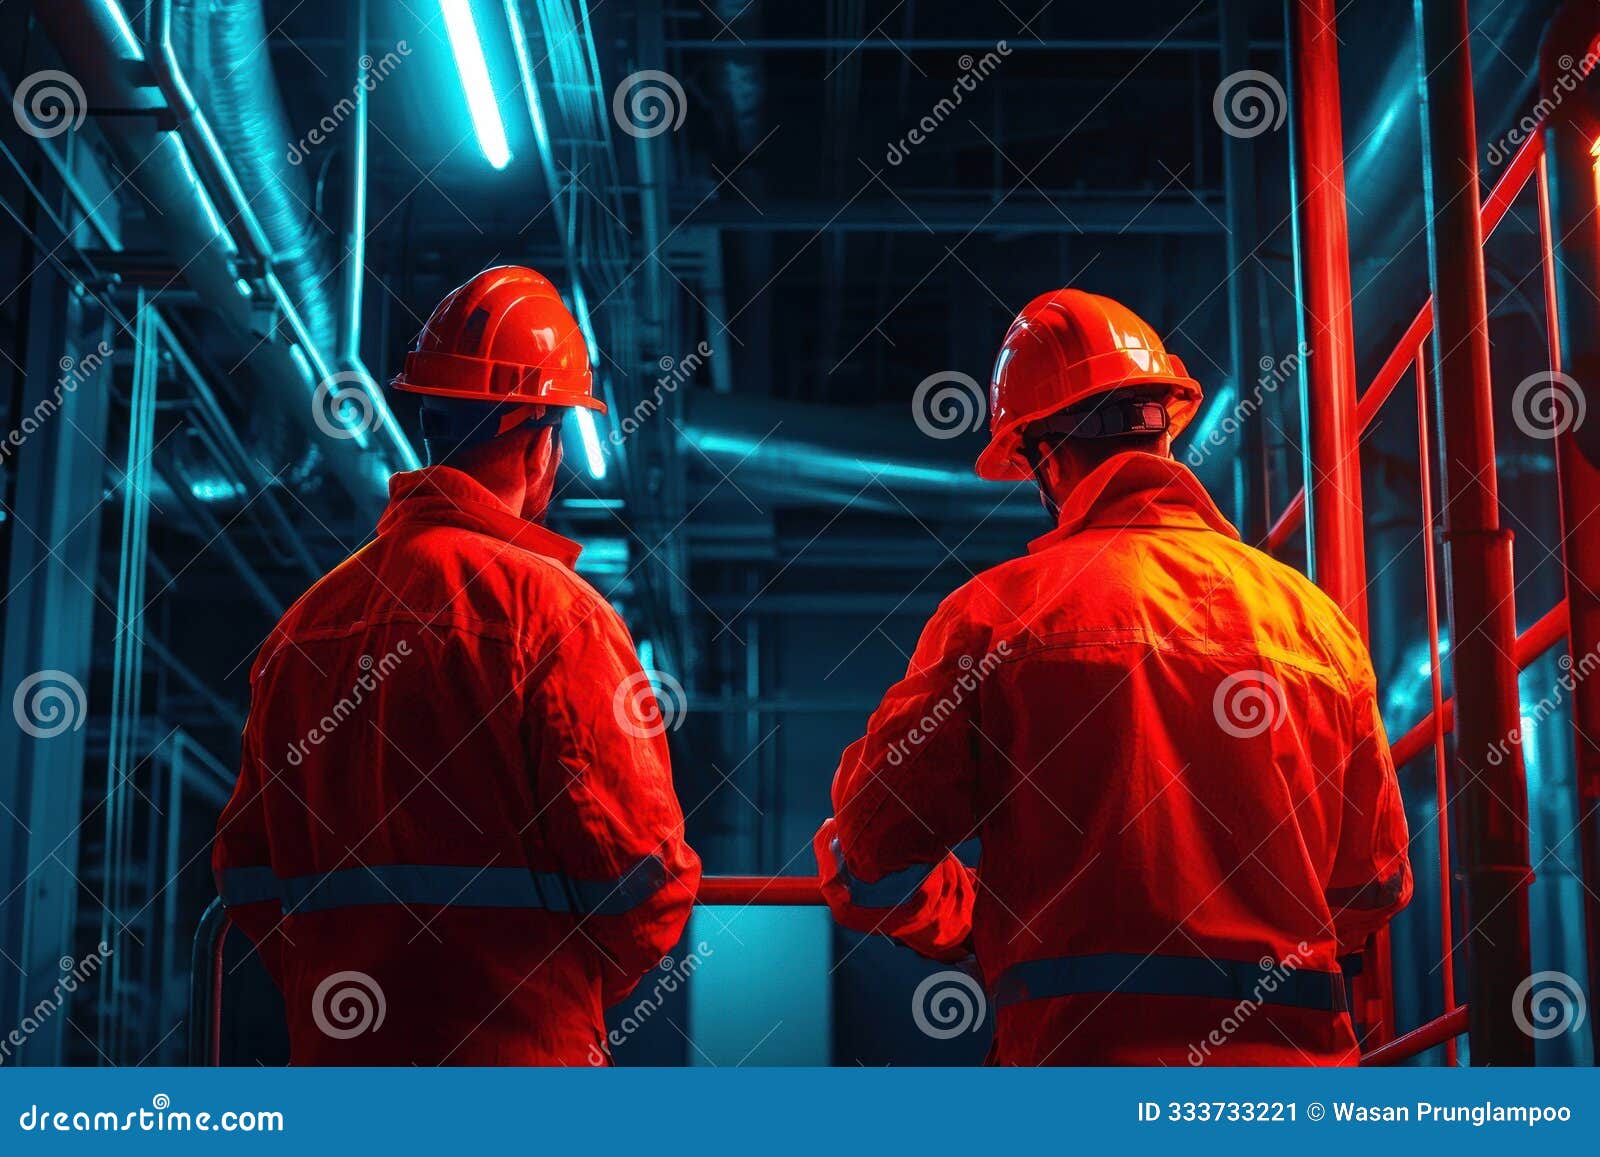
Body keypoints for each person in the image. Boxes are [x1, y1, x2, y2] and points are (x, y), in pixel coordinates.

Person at [813, 288, 1411, 1065]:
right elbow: (1375, 885)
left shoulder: (994, 618)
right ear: (1166, 424)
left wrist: (969, 920)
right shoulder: (1315, 622)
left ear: (1042, 455)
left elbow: (868, 850)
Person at [212, 266, 700, 1065]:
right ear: (543, 440)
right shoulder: (559, 617)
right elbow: (642, 873)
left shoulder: (303, 629)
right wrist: (557, 991)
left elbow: (246, 873)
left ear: (432, 420)